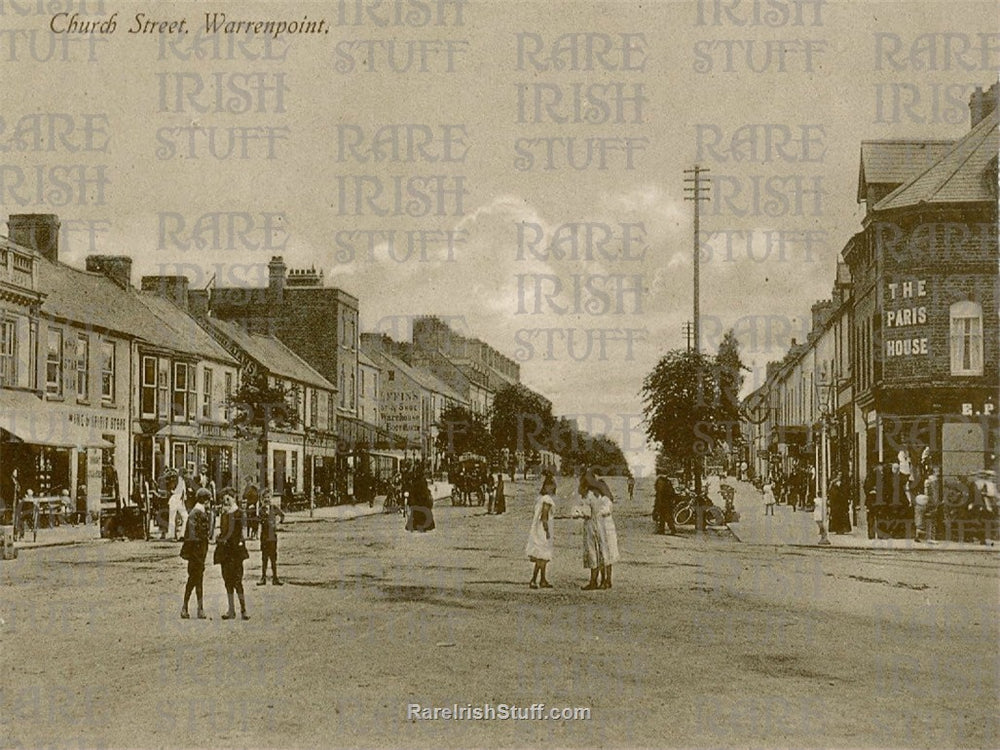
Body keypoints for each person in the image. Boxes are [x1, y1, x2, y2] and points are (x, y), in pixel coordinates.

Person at [215, 488, 250, 620]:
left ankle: (243, 609)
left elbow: (240, 532)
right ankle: (231, 610)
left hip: (236, 552)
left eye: (229, 498)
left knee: (238, 581)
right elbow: (223, 532)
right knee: (227, 581)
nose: (226, 501)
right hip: (226, 553)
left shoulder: (238, 513)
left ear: (233, 498)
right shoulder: (224, 514)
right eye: (224, 499)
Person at [180, 489, 211, 619]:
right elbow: (192, 536)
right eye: (209, 500)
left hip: (200, 552)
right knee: (194, 580)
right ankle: (187, 607)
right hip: (196, 553)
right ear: (205, 500)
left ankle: (198, 608)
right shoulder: (195, 513)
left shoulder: (200, 512)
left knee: (197, 580)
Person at [525, 473, 557, 589]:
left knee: (542, 555)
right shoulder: (547, 500)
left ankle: (543, 579)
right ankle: (533, 579)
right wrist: (547, 530)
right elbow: (544, 517)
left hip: (537, 528)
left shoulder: (540, 498)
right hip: (542, 529)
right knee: (542, 556)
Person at [258, 491, 285, 586]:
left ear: (271, 498)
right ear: (262, 499)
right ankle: (263, 578)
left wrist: (278, 522)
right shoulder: (261, 510)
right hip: (265, 536)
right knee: (264, 558)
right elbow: (260, 520)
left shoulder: (274, 508)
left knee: (273, 558)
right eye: (265, 498)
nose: (267, 499)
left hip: (272, 536)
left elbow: (282, 515)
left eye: (268, 497)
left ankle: (275, 578)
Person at [406, 463, 435, 532]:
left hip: (418, 499)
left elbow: (413, 489)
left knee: (417, 512)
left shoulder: (416, 481)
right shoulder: (422, 480)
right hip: (422, 499)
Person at [165, 467, 187, 541]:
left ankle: (181, 535)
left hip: (180, 501)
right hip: (174, 500)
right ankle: (172, 535)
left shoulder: (182, 481)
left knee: (185, 516)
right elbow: (174, 490)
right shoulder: (178, 480)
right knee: (172, 517)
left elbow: (183, 493)